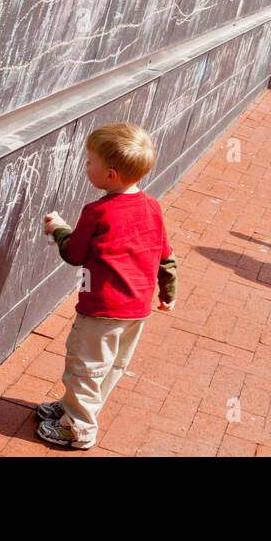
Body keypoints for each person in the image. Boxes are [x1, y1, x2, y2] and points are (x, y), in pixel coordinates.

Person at [37, 123, 179, 448]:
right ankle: (72, 409)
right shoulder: (153, 207)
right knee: (110, 366)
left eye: (89, 162)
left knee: (84, 368)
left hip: (102, 309)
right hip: (137, 310)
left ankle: (77, 429)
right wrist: (168, 294)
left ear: (110, 175)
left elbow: (74, 254)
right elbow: (166, 258)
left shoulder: (98, 211)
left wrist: (59, 229)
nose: (86, 166)